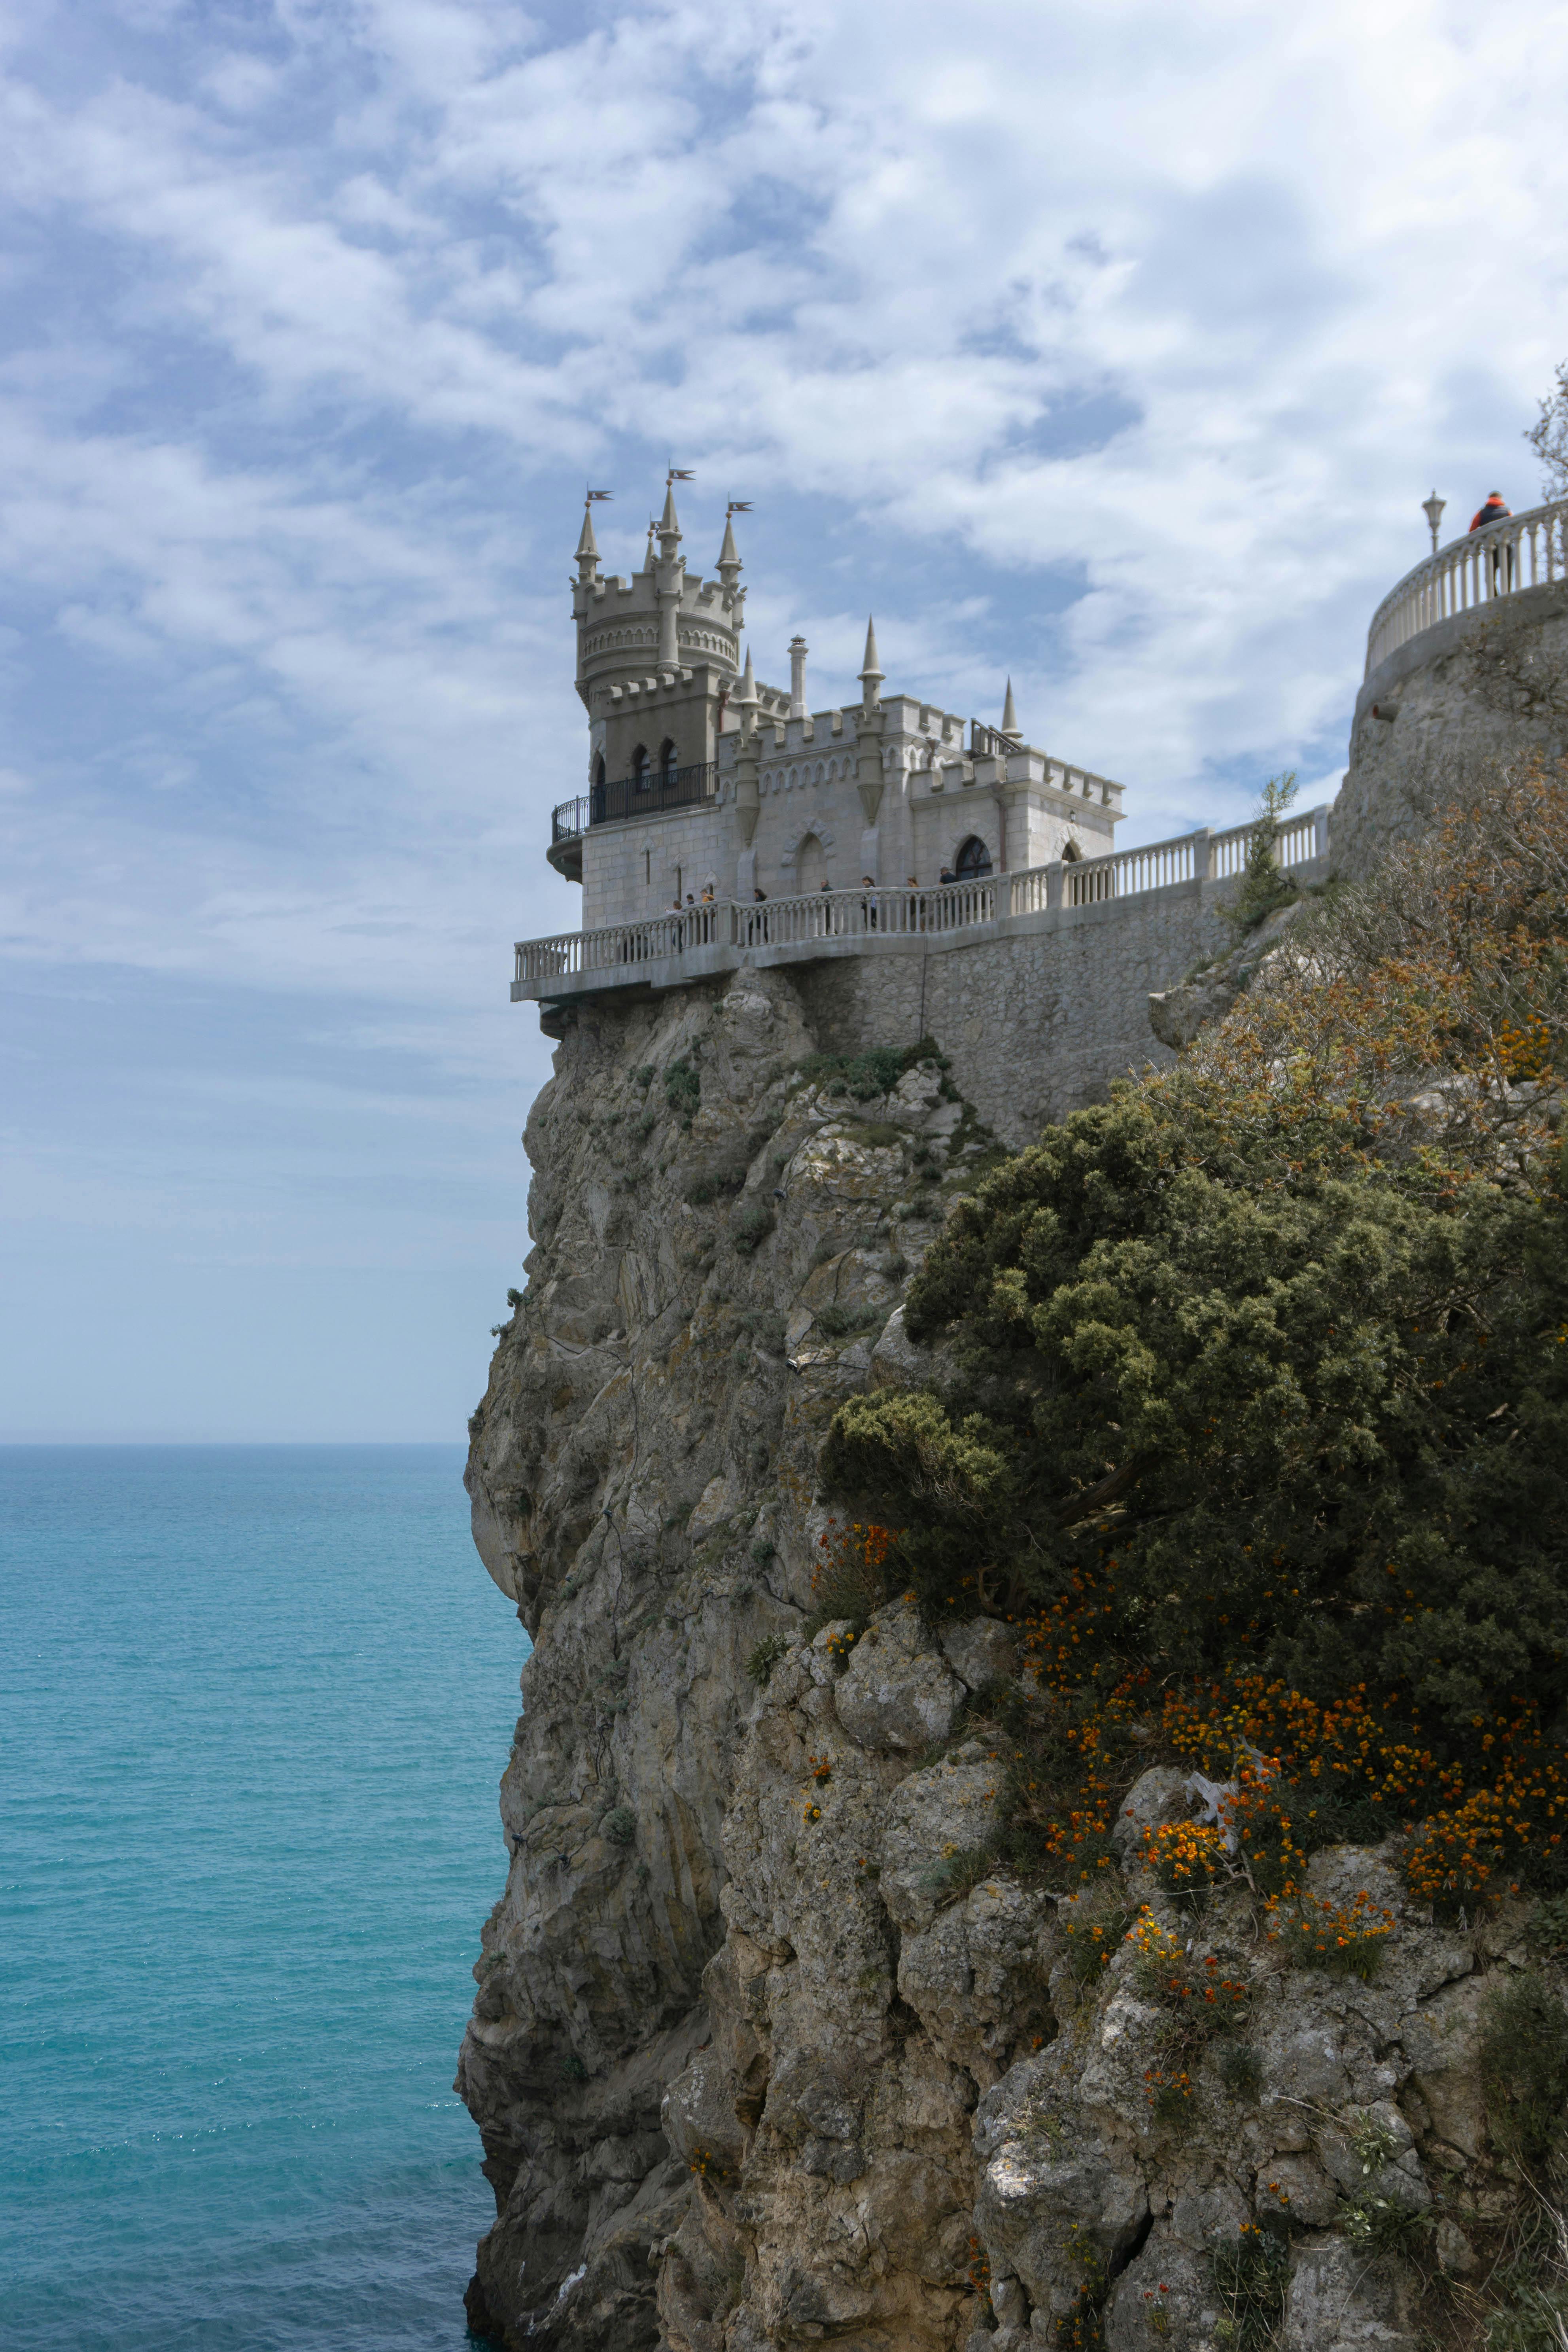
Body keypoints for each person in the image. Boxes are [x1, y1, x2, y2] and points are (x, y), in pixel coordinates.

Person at [1470, 491, 1514, 590]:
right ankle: (1507, 595)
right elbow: (1514, 527)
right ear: (1501, 500)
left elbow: (1472, 531)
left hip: (1491, 549)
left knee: (1490, 578)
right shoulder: (1507, 512)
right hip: (1507, 547)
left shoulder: (1481, 513)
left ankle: (1495, 596)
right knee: (1507, 575)